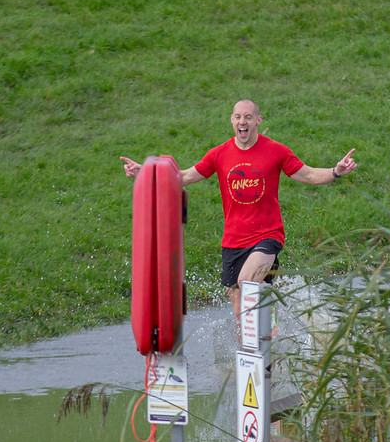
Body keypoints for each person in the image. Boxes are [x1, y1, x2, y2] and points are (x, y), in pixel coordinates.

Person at [120, 99, 358, 328]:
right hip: (233, 241)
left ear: (258, 121)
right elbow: (183, 177)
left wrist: (336, 171)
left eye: (248, 117)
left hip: (267, 236)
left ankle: (269, 308)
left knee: (247, 283)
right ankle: (257, 366)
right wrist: (146, 172)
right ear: (231, 121)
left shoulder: (276, 151)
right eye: (238, 117)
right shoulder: (219, 154)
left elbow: (308, 175)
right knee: (240, 316)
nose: (242, 121)